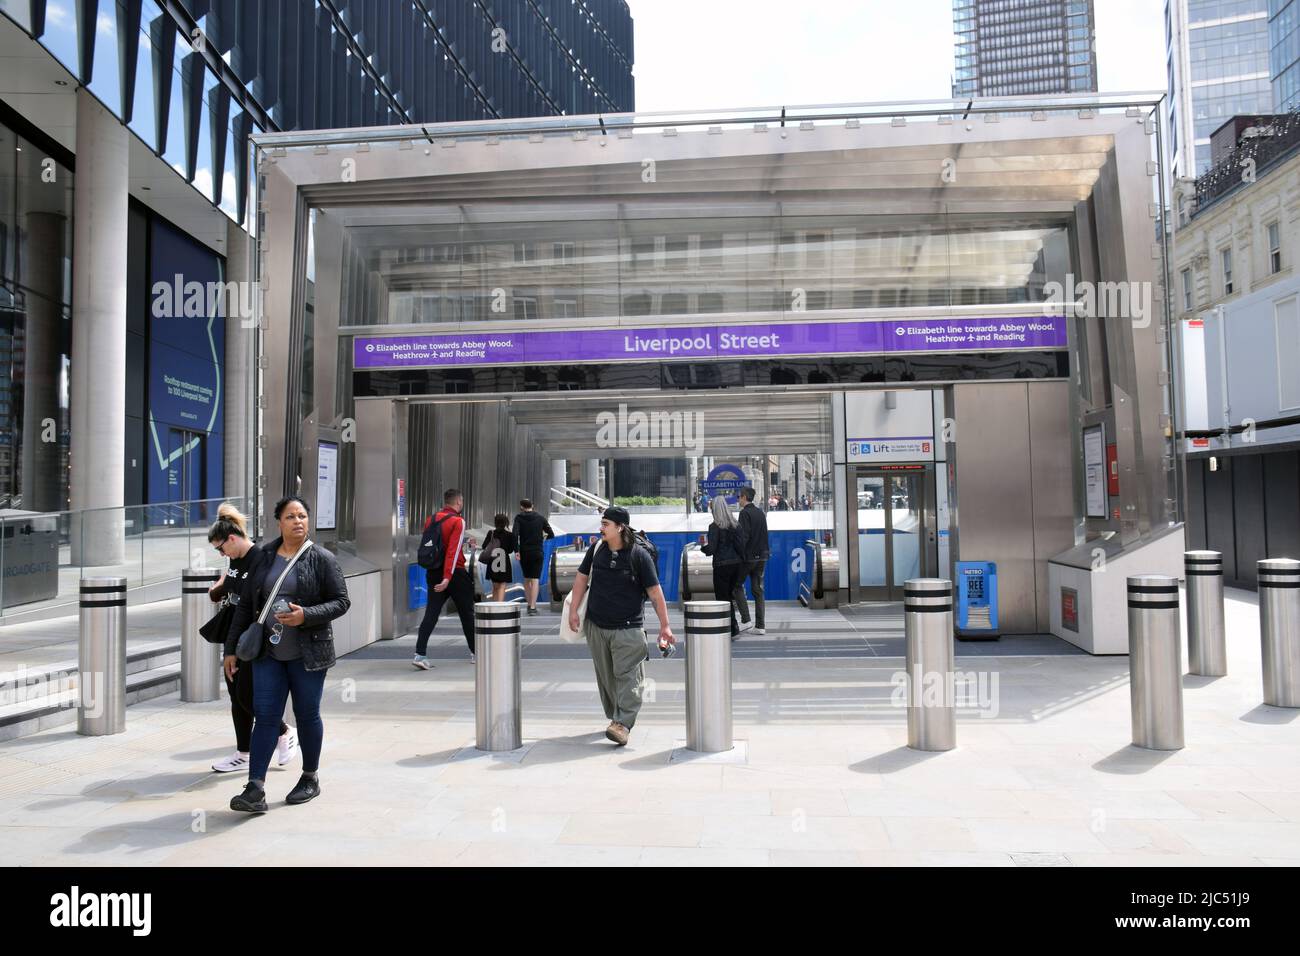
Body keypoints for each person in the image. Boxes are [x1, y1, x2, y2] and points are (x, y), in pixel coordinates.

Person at [228, 496, 350, 813]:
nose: (298, 521)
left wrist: (305, 615)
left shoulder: (322, 558)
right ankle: (255, 787)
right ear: (278, 522)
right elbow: (244, 605)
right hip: (267, 652)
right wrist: (231, 649)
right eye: (291, 516)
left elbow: (341, 601)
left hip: (308, 653)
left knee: (307, 714)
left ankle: (310, 777)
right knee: (266, 715)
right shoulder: (264, 557)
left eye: (302, 516)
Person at [567, 506, 675, 746]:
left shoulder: (639, 556)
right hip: (597, 626)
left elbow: (655, 594)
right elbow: (581, 579)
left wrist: (665, 626)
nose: (601, 528)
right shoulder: (596, 550)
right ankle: (615, 718)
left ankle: (623, 723)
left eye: (606, 524)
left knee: (628, 677)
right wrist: (574, 611)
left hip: (628, 629)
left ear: (620, 527)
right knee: (606, 678)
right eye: (602, 523)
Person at [207, 503, 297, 774]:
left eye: (220, 548)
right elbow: (230, 585)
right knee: (236, 695)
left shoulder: (260, 557)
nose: (220, 553)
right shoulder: (234, 559)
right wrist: (220, 588)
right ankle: (243, 752)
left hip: (251, 634)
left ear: (232, 539)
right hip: (232, 629)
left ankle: (284, 731)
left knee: (246, 694)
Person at [412, 488, 476, 670]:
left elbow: (439, 544)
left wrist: (464, 542)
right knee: (467, 613)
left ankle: (420, 654)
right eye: (461, 502)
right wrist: (448, 577)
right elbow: (452, 551)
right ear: (458, 502)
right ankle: (476, 652)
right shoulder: (458, 521)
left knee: (431, 612)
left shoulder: (431, 520)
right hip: (454, 573)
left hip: (433, 571)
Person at [700, 495, 747, 640]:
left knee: (722, 598)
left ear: (714, 509)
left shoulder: (714, 527)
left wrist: (703, 547)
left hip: (721, 566)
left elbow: (712, 549)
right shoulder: (736, 525)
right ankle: (733, 627)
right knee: (729, 597)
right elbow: (741, 547)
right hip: (736, 566)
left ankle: (731, 629)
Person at [732, 487, 771, 635]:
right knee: (758, 590)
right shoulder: (760, 513)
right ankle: (760, 626)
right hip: (762, 556)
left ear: (744, 497)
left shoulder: (744, 513)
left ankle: (746, 620)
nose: (738, 500)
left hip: (749, 557)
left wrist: (738, 553)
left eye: (738, 497)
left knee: (737, 585)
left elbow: (744, 537)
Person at [511, 498, 554, 615]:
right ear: (532, 506)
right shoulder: (540, 518)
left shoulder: (519, 518)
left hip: (525, 552)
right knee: (535, 579)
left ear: (521, 507)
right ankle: (533, 607)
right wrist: (543, 539)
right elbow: (551, 533)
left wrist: (516, 550)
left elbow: (514, 535)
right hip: (537, 552)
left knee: (526, 579)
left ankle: (529, 603)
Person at [482, 512, 516, 603]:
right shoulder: (510, 535)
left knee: (495, 586)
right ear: (505, 522)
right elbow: (510, 550)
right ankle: (499, 606)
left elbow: (484, 546)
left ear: (495, 522)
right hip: (503, 561)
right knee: (502, 586)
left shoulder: (491, 533)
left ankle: (494, 605)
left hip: (493, 561)